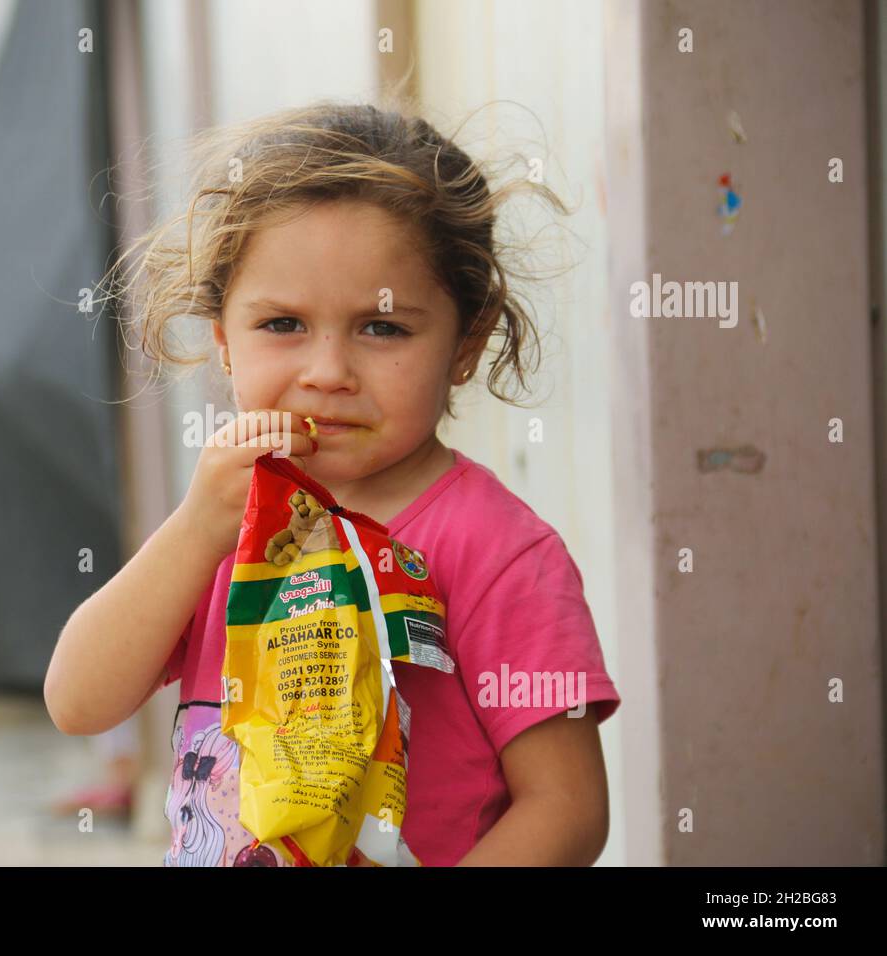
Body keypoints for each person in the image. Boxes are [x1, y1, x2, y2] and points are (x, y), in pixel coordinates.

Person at [45, 102, 621, 866]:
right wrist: (192, 532)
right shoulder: (228, 521)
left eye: (382, 328)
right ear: (224, 343)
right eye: (282, 325)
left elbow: (568, 808)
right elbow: (79, 701)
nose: (327, 374)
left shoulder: (498, 550)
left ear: (465, 346)